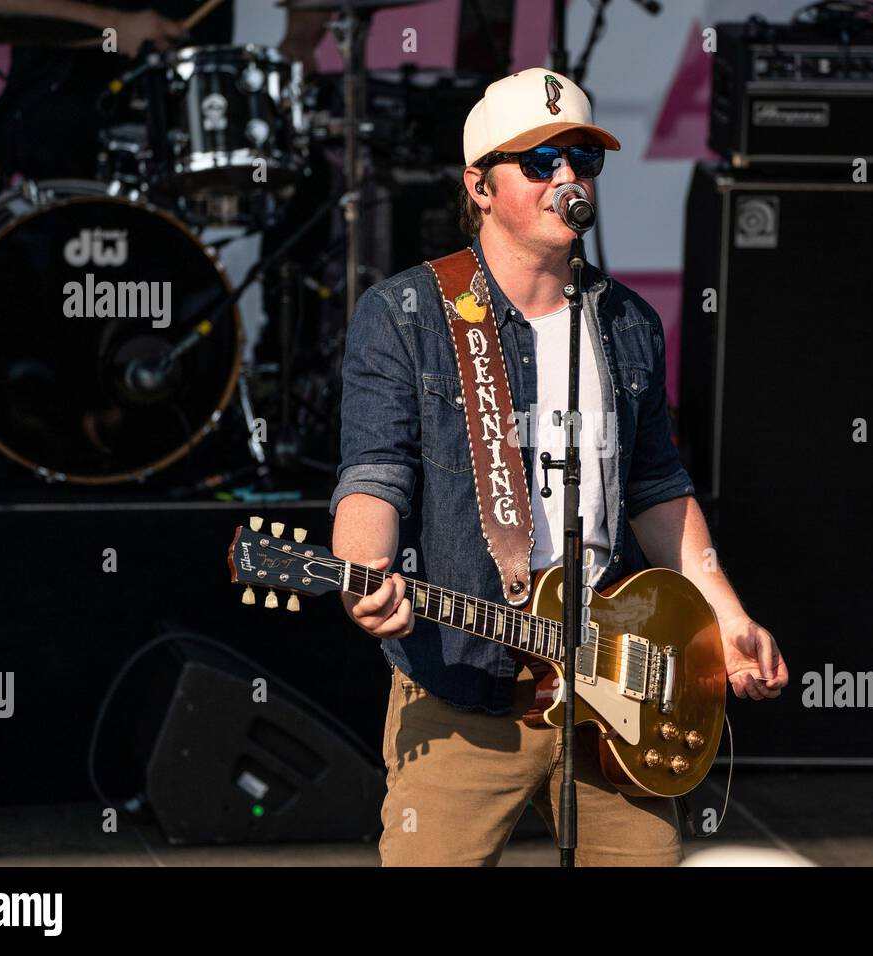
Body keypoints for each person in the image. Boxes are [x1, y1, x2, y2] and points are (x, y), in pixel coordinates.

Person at [330, 67, 787, 867]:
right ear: (479, 184)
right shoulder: (406, 315)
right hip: (465, 690)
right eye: (539, 163)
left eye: (582, 158)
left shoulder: (627, 321)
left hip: (615, 689)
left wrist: (728, 615)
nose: (567, 177)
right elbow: (375, 471)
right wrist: (360, 563)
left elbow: (656, 487)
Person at [0, 0, 326, 180]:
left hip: (191, 112)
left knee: (310, 171)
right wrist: (115, 27)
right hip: (61, 109)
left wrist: (300, 40)